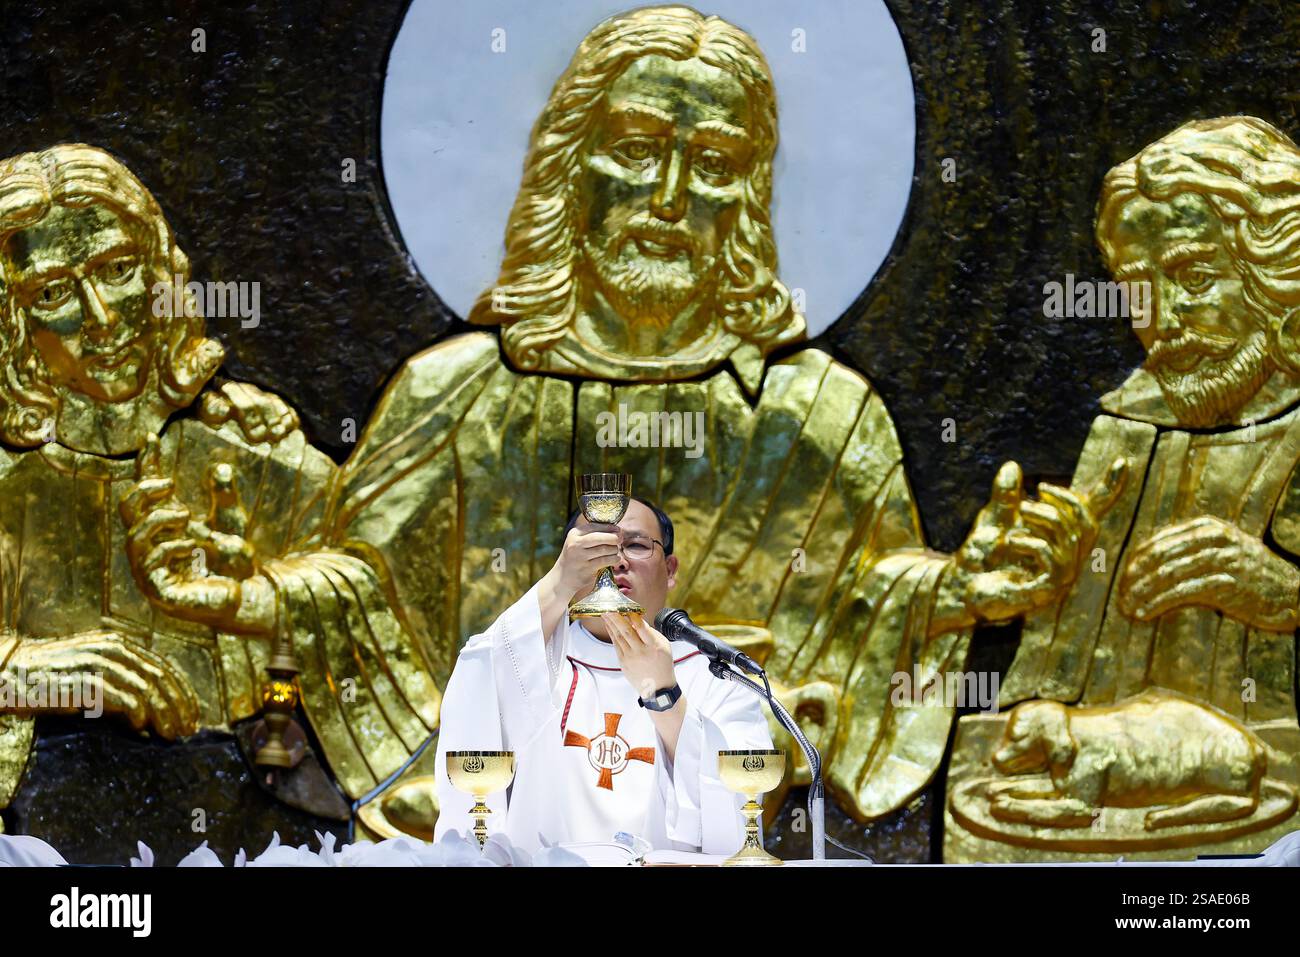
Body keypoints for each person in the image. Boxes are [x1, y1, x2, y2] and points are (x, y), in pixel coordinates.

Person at [433, 496, 773, 853]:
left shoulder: (714, 672)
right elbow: (478, 686)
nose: (616, 561)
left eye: (637, 545)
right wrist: (558, 586)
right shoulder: (534, 658)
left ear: (670, 569)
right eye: (595, 547)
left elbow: (738, 798)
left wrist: (664, 695)